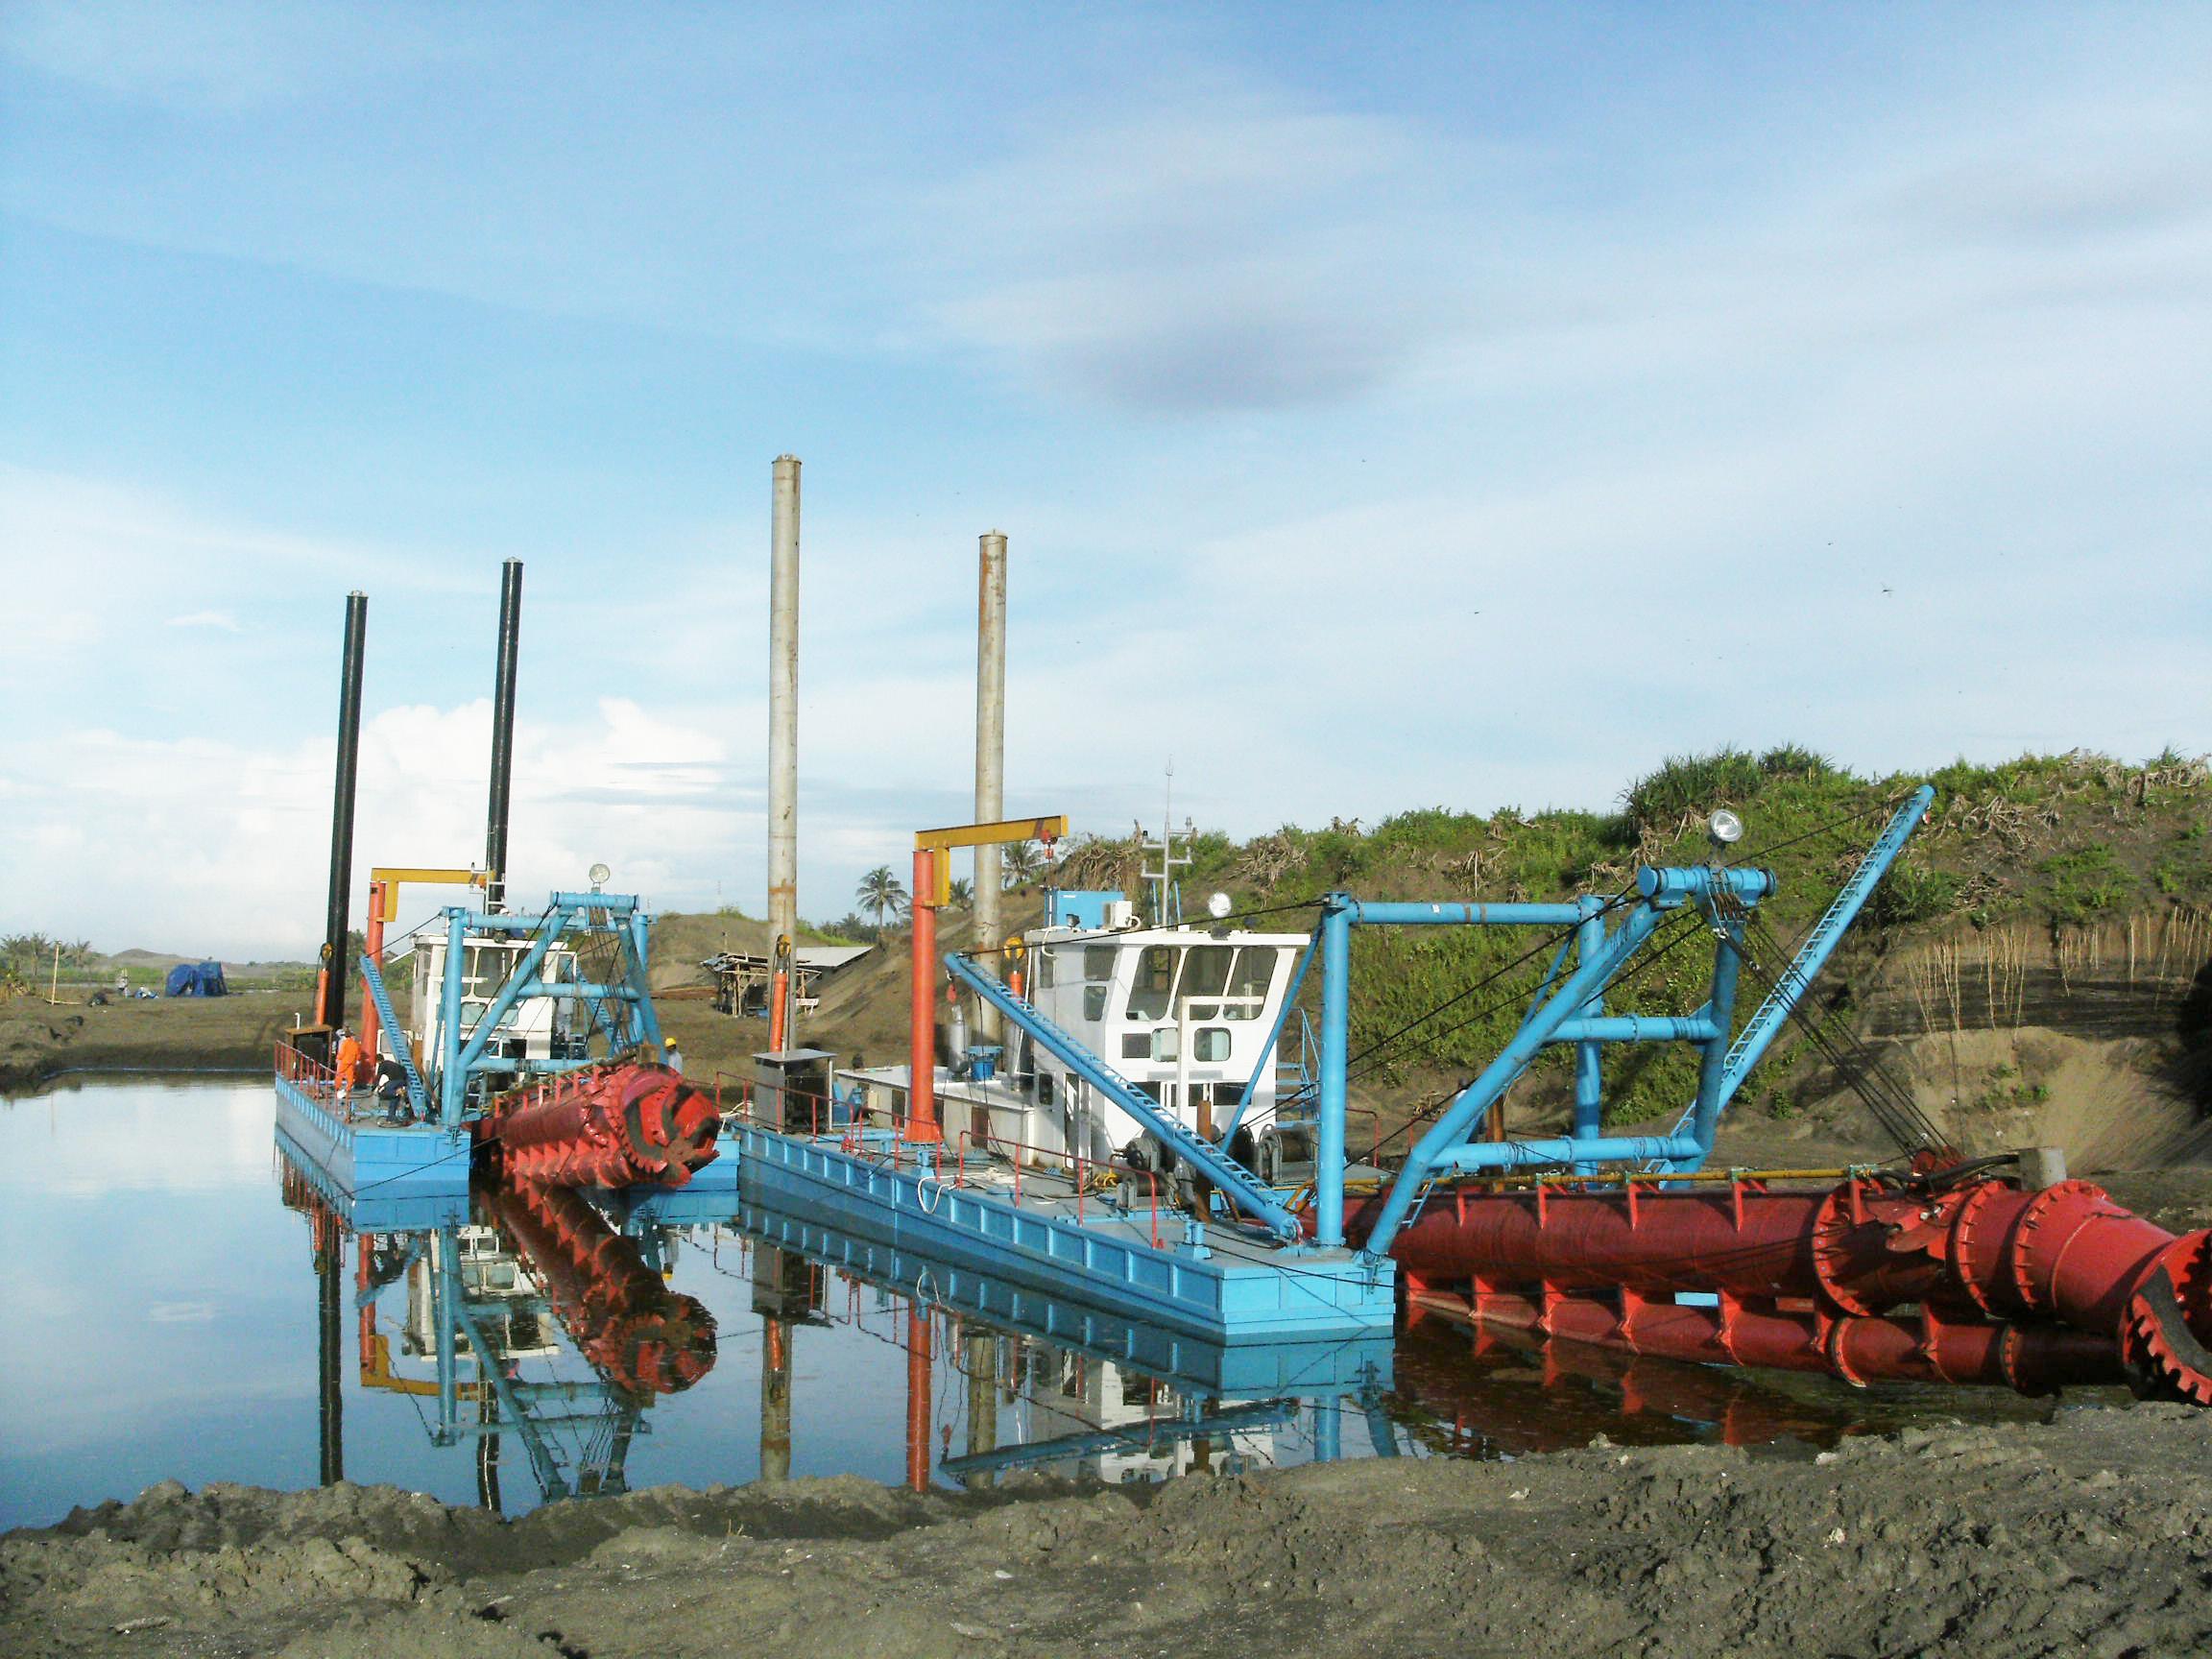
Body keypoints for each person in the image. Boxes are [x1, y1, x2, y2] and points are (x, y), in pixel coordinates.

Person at [332, 1027, 363, 1101]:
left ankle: (337, 1087)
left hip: (344, 1061)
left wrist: (338, 1058)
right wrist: (357, 1060)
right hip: (352, 1062)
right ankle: (348, 1089)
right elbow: (358, 1054)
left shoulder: (345, 1043)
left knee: (339, 1074)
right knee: (350, 1076)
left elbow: (342, 1052)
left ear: (345, 1036)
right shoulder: (356, 1044)